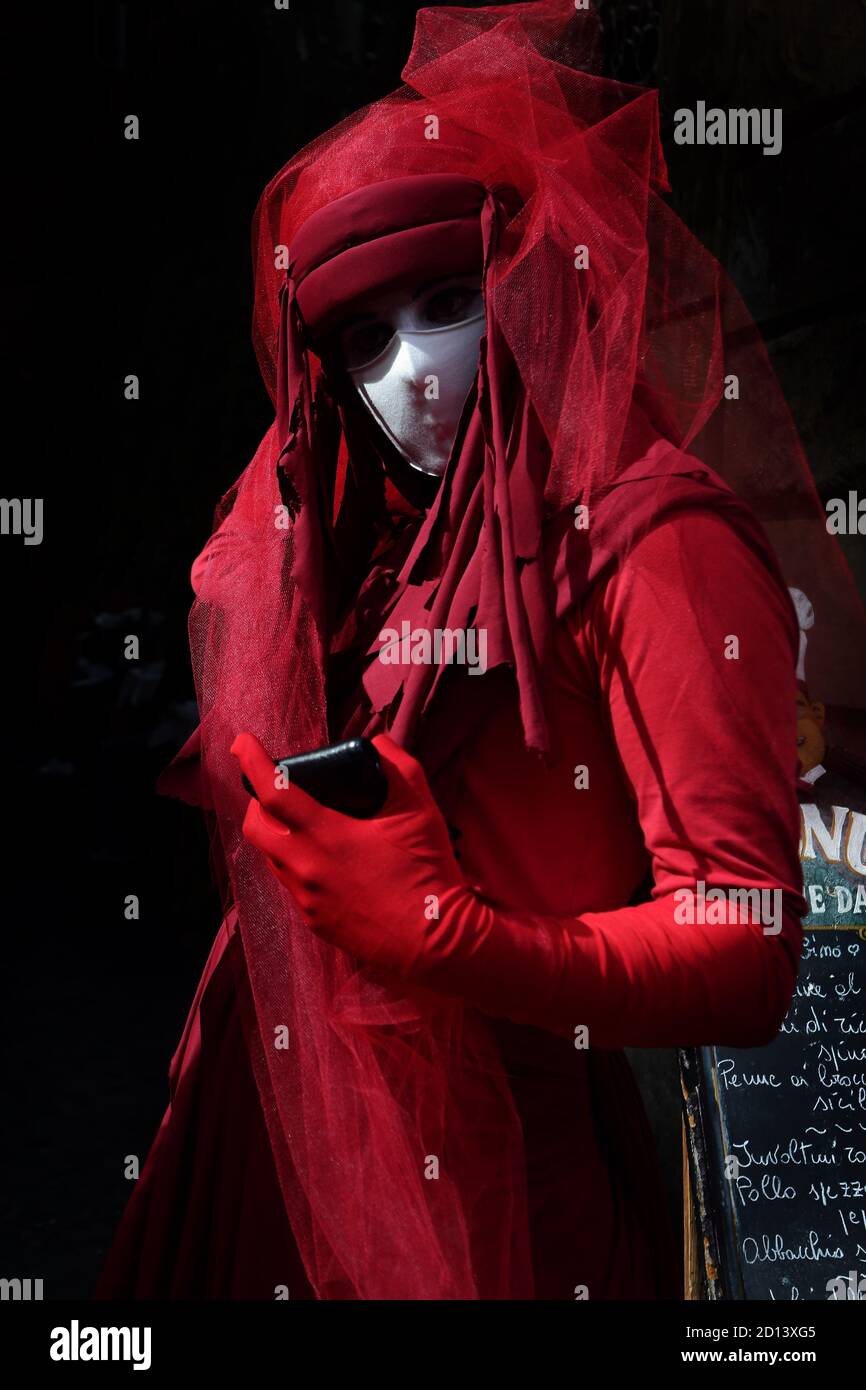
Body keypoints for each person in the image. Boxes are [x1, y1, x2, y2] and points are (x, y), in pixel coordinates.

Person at [94, 0, 866, 1301]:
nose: (408, 378)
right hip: (263, 1123)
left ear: (532, 275)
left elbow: (747, 949)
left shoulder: (649, 537)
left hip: (489, 1197)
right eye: (360, 339)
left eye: (449, 301)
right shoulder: (354, 525)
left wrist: (460, 940)